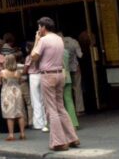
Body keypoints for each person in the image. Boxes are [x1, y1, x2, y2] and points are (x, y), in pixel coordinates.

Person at [31, 17, 79, 152]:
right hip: (60, 73)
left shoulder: (43, 40)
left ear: (43, 27)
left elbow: (33, 56)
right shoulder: (59, 39)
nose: (39, 29)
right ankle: (72, 137)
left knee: (51, 109)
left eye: (39, 27)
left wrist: (36, 40)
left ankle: (59, 142)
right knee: (60, 107)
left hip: (48, 74)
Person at [0, 54, 26, 141]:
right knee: (20, 113)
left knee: (9, 114)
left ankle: (11, 135)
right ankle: (22, 133)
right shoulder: (17, 72)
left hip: (7, 92)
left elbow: (1, 82)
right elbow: (20, 81)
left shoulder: (3, 72)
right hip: (17, 91)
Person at [25, 40, 47, 132]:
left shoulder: (29, 57)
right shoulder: (39, 56)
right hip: (41, 75)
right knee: (42, 99)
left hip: (33, 76)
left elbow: (26, 68)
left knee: (35, 99)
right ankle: (45, 121)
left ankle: (38, 123)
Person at [62, 34, 84, 114]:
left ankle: (68, 109)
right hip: (75, 67)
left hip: (65, 69)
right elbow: (80, 55)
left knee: (67, 90)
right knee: (77, 88)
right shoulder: (74, 42)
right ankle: (79, 109)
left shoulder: (58, 44)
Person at [62, 47, 79, 129]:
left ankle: (61, 124)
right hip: (67, 76)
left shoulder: (54, 52)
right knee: (69, 100)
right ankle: (74, 123)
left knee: (57, 102)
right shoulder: (66, 51)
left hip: (58, 76)